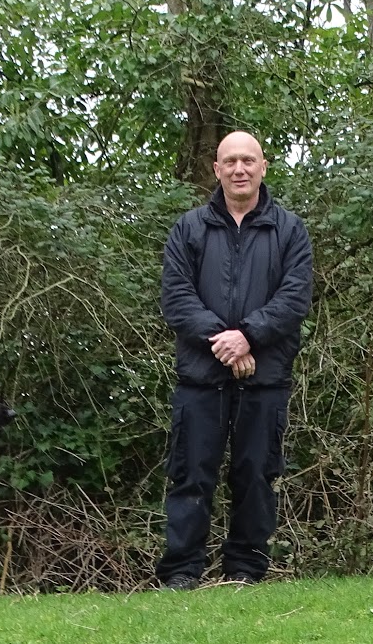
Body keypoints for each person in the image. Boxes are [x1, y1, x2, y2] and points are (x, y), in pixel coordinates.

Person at [156, 131, 313, 589]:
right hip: (200, 378)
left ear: (264, 166)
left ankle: (245, 570)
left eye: (248, 160)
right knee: (190, 477)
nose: (240, 169)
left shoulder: (289, 230)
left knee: (257, 477)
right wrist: (223, 343)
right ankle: (182, 572)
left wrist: (248, 337)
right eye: (231, 161)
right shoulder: (188, 228)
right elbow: (177, 298)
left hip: (265, 378)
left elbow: (294, 298)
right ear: (217, 169)